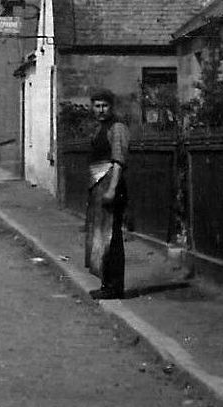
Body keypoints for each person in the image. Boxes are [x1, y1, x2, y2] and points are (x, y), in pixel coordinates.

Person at [84, 89, 129, 300]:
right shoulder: (99, 128)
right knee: (101, 236)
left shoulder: (117, 128)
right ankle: (106, 283)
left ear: (111, 107)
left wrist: (112, 189)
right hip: (98, 186)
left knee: (112, 237)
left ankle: (114, 287)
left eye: (105, 106)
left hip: (112, 187)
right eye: (97, 106)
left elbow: (118, 161)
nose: (101, 110)